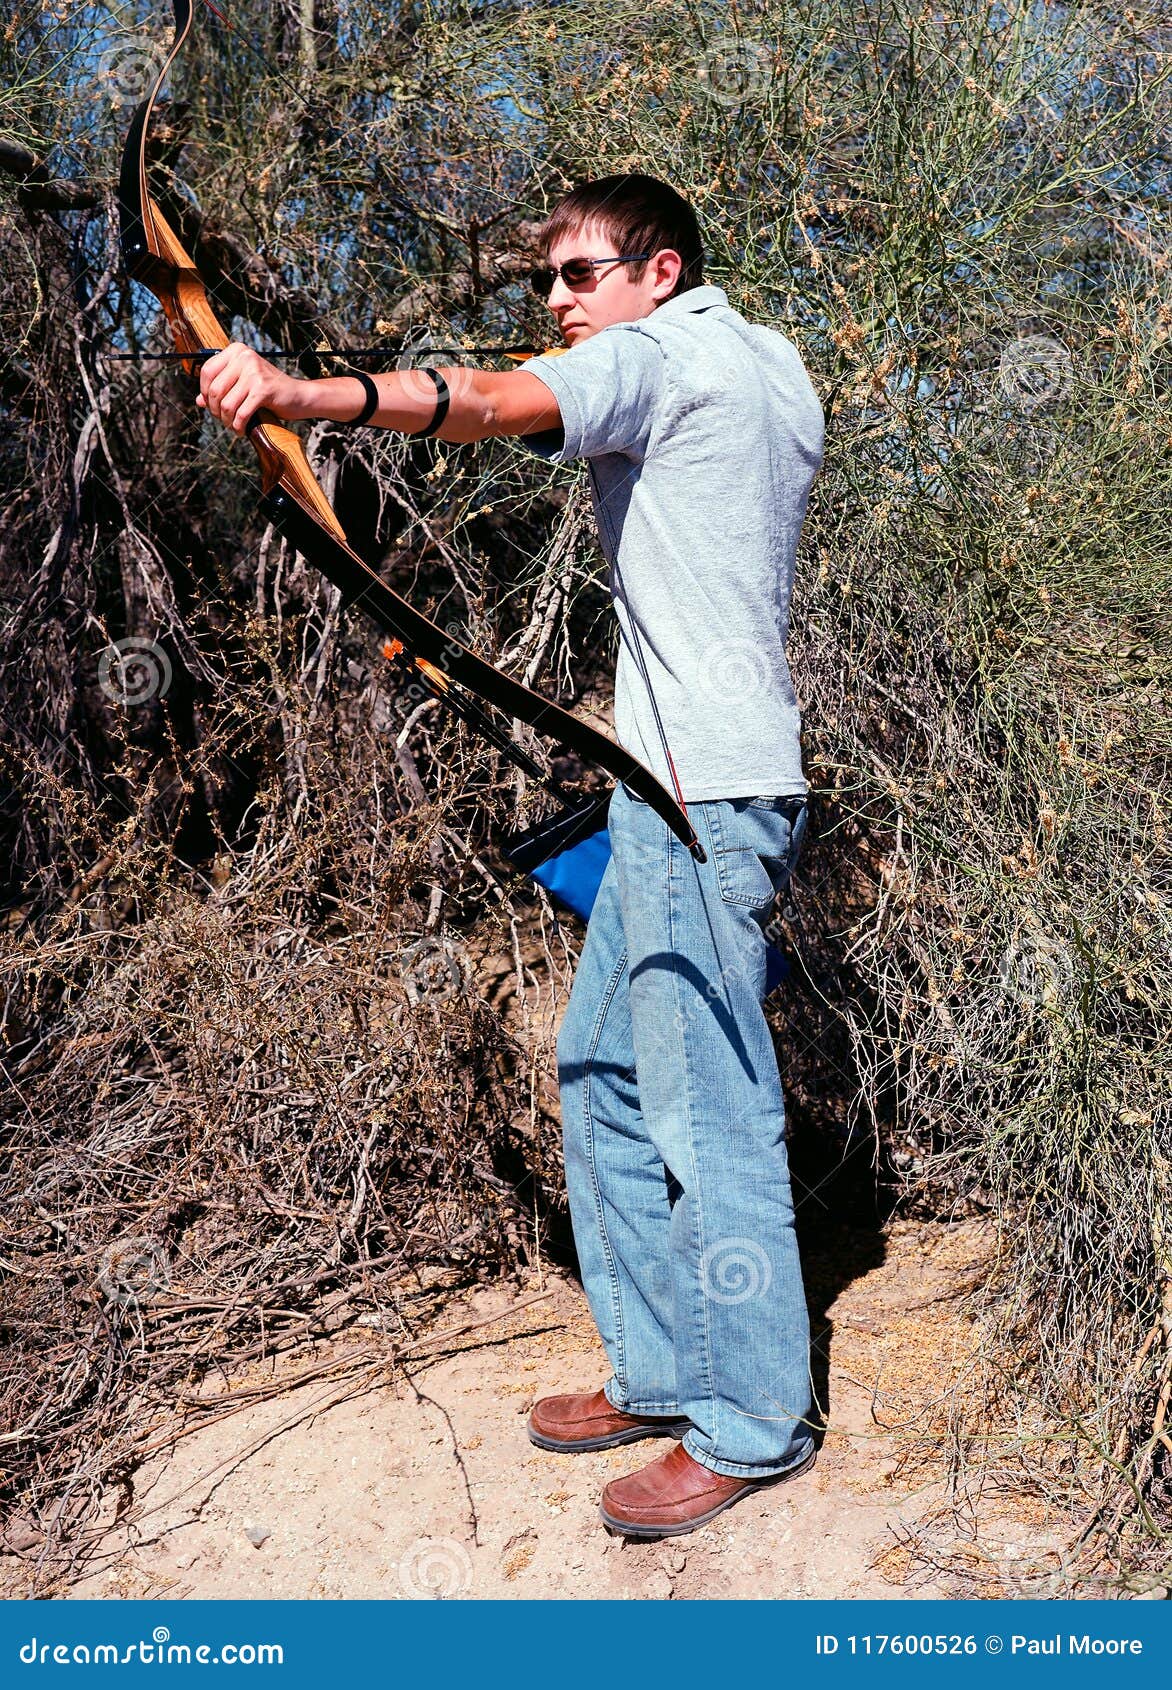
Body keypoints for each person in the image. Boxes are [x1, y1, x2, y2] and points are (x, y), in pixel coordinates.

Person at [198, 172, 825, 1541]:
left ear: (661, 272)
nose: (556, 302)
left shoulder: (657, 356)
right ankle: (665, 1364)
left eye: (580, 275)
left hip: (694, 794)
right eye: (547, 281)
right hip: (700, 786)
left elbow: (488, 402)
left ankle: (753, 1420)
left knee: (706, 1111)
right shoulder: (769, 363)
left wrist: (303, 399)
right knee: (601, 1067)